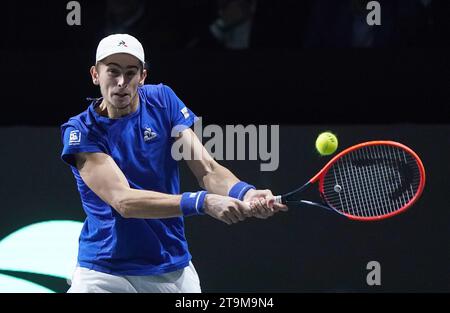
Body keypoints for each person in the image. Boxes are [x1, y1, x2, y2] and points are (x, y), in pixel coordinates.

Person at [60, 33, 287, 293]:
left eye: (131, 73)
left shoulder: (162, 100)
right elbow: (124, 201)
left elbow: (207, 169)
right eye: (112, 72)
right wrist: (202, 202)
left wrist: (244, 192)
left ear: (143, 77)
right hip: (103, 272)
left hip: (169, 265)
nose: (122, 82)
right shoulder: (81, 131)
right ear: (95, 75)